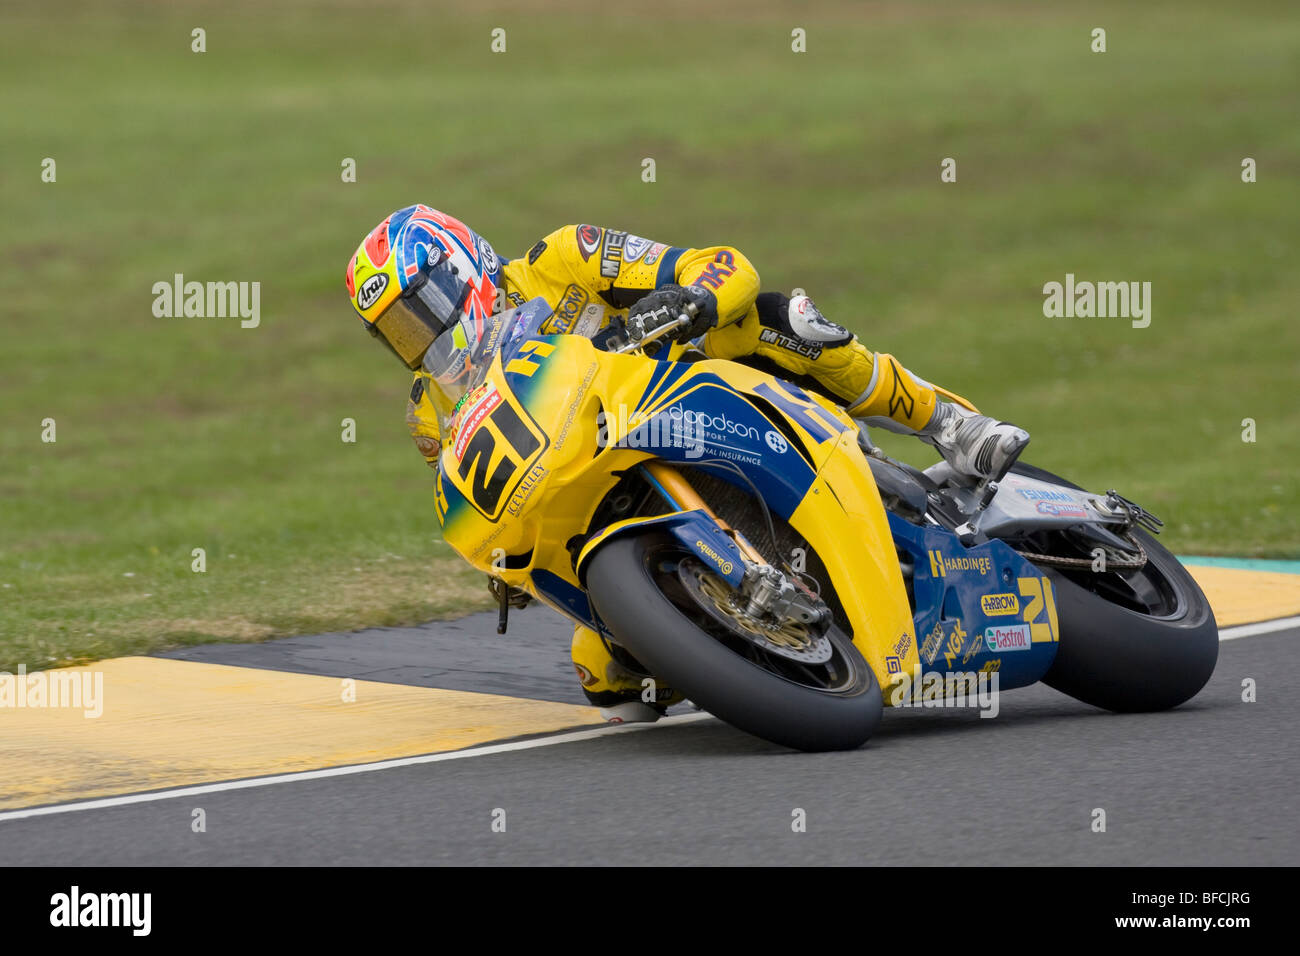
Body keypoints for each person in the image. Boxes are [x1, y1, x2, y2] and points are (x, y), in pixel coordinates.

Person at [345, 203, 1029, 722]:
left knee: (774, 319)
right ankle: (730, 631)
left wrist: (693, 297)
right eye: (398, 330)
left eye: (422, 307)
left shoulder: (561, 262)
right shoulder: (430, 413)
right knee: (609, 682)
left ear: (463, 267)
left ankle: (950, 423)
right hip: (601, 501)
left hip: (695, 402)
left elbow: (722, 264)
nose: (421, 335)